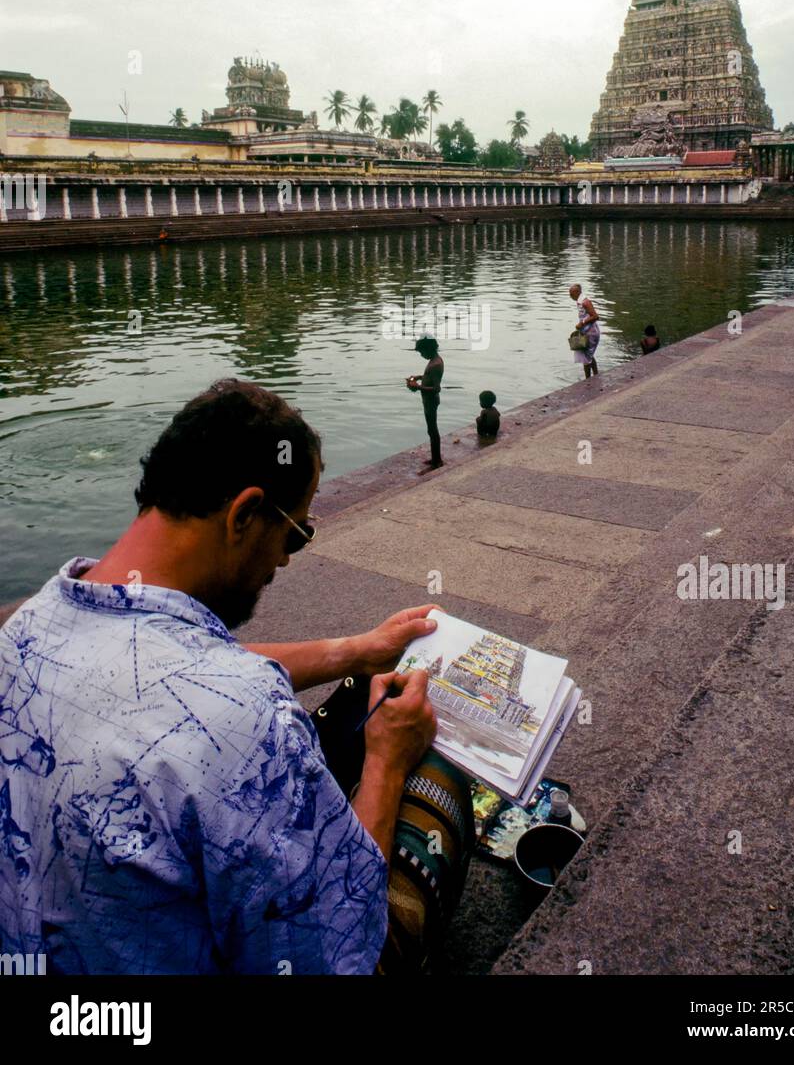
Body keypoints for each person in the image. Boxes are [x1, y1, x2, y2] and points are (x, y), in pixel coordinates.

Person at [0, 379, 471, 975]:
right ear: (246, 513)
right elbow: (334, 951)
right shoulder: (247, 719)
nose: (284, 559)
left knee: (357, 696)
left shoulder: (30, 623)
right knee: (435, 775)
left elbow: (173, 672)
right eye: (295, 533)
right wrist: (387, 762)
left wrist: (357, 651)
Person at [406, 336, 444, 473]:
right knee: (431, 430)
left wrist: (417, 387)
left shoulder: (435, 365)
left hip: (431, 401)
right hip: (428, 401)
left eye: (422, 352)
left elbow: (436, 388)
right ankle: (435, 458)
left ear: (428, 349)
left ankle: (437, 461)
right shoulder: (434, 361)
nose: (422, 355)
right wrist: (418, 377)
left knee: (432, 430)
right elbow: (429, 377)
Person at [569, 282, 600, 379]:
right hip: (586, 332)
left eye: (571, 293)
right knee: (589, 355)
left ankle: (588, 380)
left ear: (578, 292)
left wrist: (582, 323)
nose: (570, 295)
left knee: (586, 358)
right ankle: (596, 375)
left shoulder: (585, 302)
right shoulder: (579, 301)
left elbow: (595, 316)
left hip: (591, 333)